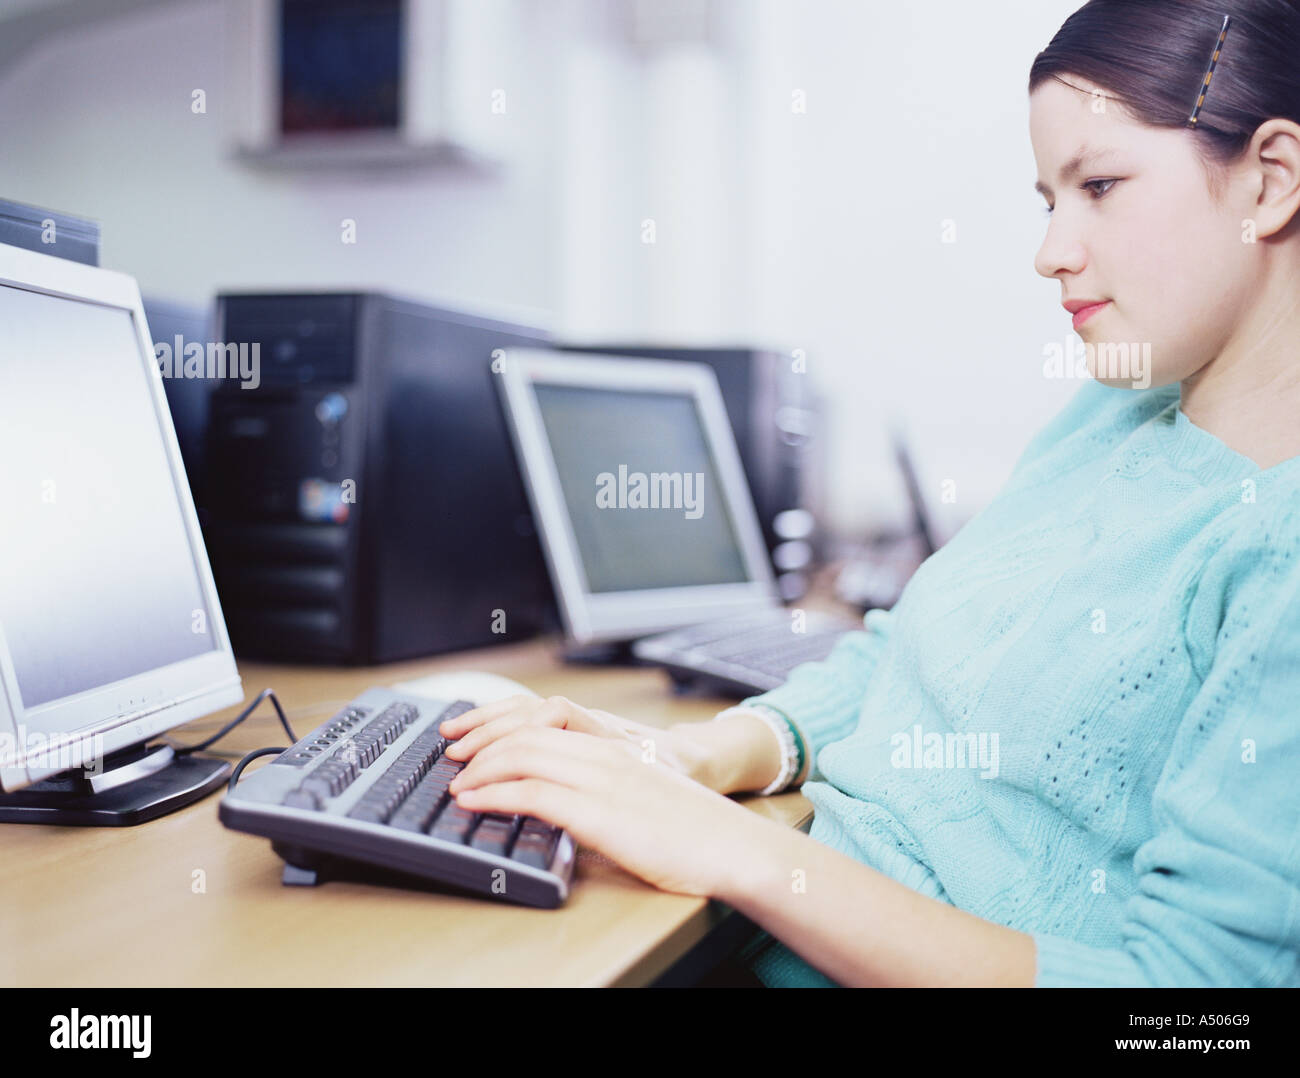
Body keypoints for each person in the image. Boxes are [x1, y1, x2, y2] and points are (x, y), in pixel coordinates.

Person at [437, 0, 1300, 987]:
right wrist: (705, 755)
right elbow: (913, 654)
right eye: (1046, 199)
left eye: (1099, 185)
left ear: (1268, 182)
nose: (1050, 251)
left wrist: (746, 856)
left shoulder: (1277, 549)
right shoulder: (1116, 410)